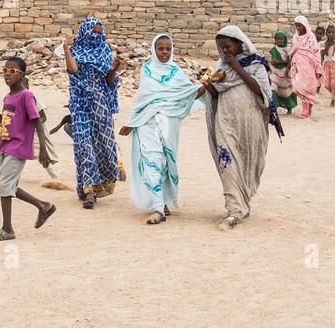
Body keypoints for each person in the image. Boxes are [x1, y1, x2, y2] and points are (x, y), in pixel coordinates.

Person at [117, 33, 206, 224]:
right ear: (154, 50)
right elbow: (143, 99)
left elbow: (190, 93)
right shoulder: (147, 69)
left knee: (166, 162)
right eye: (160, 48)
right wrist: (131, 123)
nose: (164, 52)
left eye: (167, 48)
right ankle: (157, 207)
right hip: (146, 123)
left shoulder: (176, 71)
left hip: (168, 124)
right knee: (152, 160)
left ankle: (164, 201)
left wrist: (207, 84)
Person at [201, 26, 273, 230]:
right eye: (222, 48)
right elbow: (216, 96)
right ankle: (233, 210)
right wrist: (209, 87)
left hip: (250, 123)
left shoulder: (256, 64)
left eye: (229, 46)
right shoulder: (220, 67)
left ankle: (243, 203)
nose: (226, 51)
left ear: (240, 43)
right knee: (228, 164)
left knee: (248, 163)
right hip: (225, 121)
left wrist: (238, 68)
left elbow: (263, 93)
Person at [0, 57, 56, 241]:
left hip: (18, 146)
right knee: (10, 186)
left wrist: (43, 150)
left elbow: (38, 122)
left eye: (12, 71)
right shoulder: (8, 97)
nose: (7, 74)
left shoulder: (26, 96)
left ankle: (7, 229)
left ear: (22, 75)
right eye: (5, 70)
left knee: (5, 186)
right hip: (6, 145)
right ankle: (43, 206)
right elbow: (10, 114)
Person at [64, 16, 122, 208]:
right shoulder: (75, 50)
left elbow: (109, 82)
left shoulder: (105, 52)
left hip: (100, 105)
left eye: (99, 32)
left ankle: (99, 185)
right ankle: (89, 191)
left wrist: (113, 70)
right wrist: (66, 49)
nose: (96, 36)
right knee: (84, 145)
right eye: (93, 32)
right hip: (80, 103)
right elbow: (73, 70)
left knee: (103, 144)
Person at [288, 16, 321, 119]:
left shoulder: (311, 37)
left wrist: (317, 66)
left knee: (309, 87)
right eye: (297, 26)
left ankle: (308, 107)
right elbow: (293, 49)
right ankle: (305, 109)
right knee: (299, 86)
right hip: (298, 64)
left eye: (300, 26)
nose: (298, 28)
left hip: (309, 65)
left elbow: (315, 52)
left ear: (305, 25)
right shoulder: (295, 37)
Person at [269, 31, 297, 114]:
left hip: (285, 73)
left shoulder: (287, 50)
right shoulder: (273, 49)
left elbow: (290, 61)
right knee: (273, 89)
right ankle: (274, 107)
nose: (279, 41)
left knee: (287, 91)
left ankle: (289, 108)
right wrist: (273, 63)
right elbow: (273, 59)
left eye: (281, 39)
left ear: (284, 40)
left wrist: (279, 62)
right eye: (277, 39)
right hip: (276, 73)